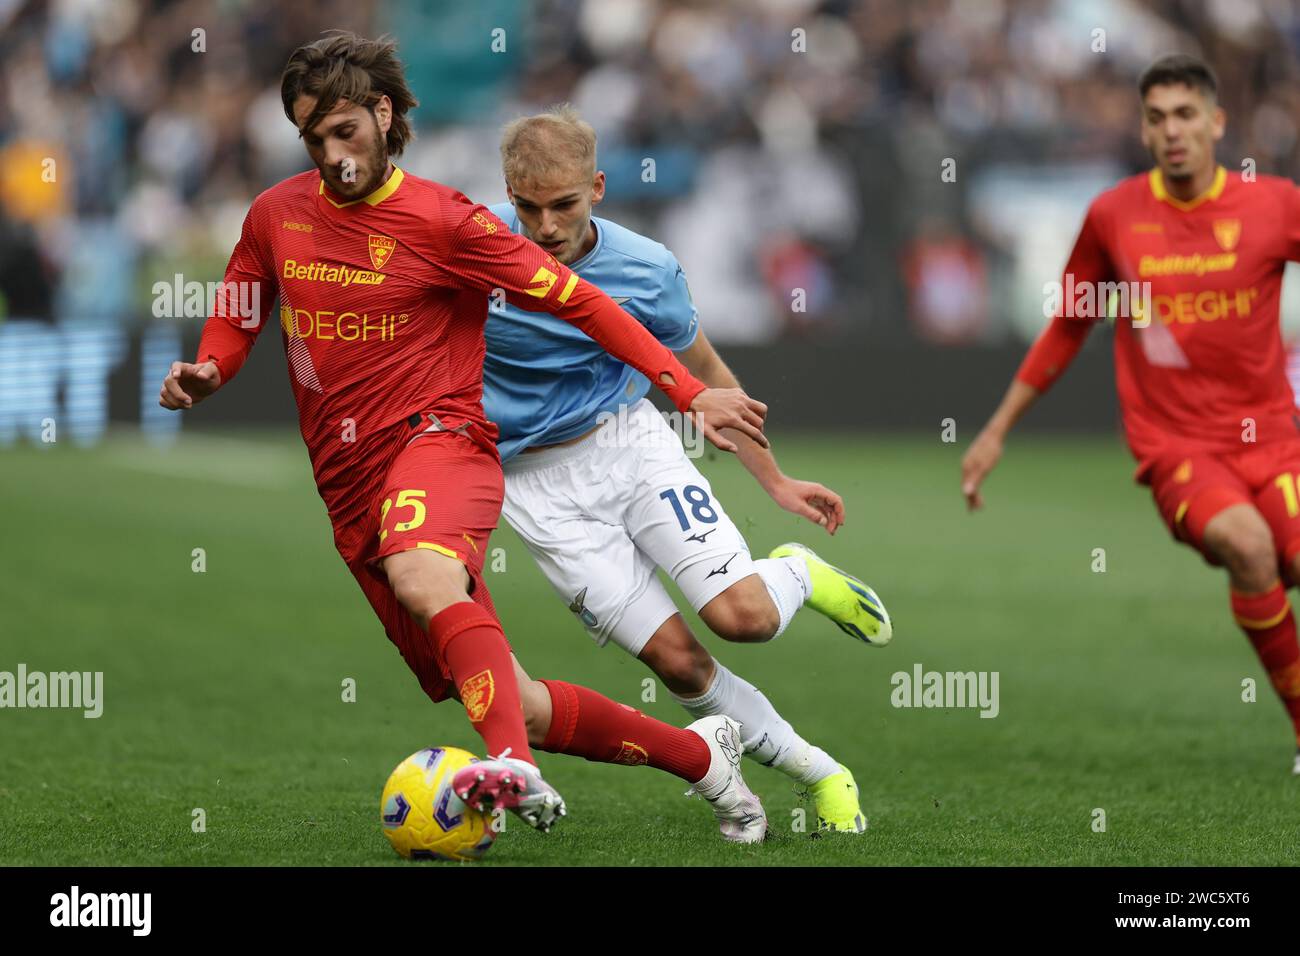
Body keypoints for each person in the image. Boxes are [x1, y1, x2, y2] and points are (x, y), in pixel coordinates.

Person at [159, 31, 770, 840]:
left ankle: (513, 767)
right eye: (314, 138)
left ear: (383, 114)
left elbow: (582, 303)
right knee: (507, 691)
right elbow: (240, 308)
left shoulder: (448, 221)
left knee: (423, 574)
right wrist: (209, 366)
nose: (333, 154)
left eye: (346, 130)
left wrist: (688, 390)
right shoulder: (276, 216)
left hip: (441, 442)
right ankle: (705, 760)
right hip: (352, 490)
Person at [481, 106, 893, 833]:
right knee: (677, 666)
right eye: (529, 207)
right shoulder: (474, 251)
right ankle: (822, 773)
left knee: (745, 619)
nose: (545, 226)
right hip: (536, 490)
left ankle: (795, 572)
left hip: (629, 447)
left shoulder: (645, 269)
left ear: (598, 188)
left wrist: (775, 480)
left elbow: (703, 369)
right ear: (508, 194)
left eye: (564, 205)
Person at [962, 53, 1300, 774]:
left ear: (1217, 121)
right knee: (1249, 547)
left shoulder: (1272, 203)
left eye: (1185, 115)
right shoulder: (1114, 217)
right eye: (1157, 118)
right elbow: (1068, 326)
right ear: (1143, 131)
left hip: (1273, 439)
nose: (1172, 131)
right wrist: (996, 430)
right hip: (1177, 447)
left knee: (1286, 557)